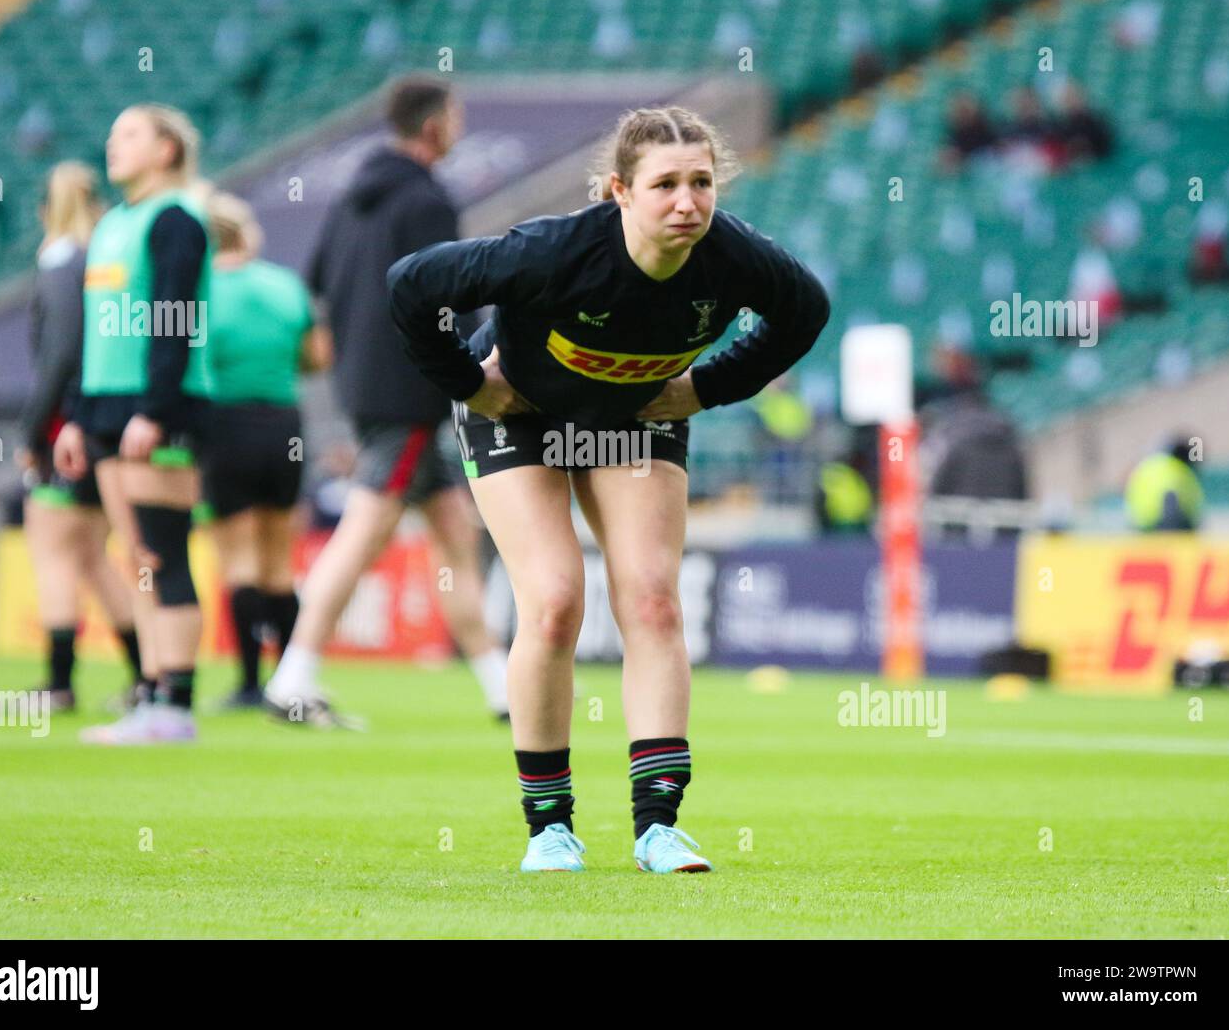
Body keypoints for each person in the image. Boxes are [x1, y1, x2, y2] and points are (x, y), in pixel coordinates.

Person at [388, 106, 831, 873]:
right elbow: (411, 284)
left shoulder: (730, 257)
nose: (688, 202)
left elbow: (805, 311)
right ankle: (549, 829)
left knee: (653, 598)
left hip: (632, 416)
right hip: (520, 413)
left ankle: (659, 826)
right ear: (620, 192)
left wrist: (709, 386)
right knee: (556, 599)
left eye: (702, 182)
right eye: (666, 185)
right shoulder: (551, 252)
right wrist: (470, 382)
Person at [264, 74, 512, 726]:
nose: (458, 127)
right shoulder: (428, 200)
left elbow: (317, 278)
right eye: (454, 116)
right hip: (410, 390)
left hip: (366, 381)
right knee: (363, 531)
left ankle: (503, 689)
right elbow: (447, 294)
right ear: (433, 126)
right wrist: (474, 369)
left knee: (455, 542)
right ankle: (292, 677)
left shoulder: (351, 195)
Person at [53, 103, 214, 745]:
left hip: (157, 405)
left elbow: (176, 318)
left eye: (129, 135)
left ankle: (177, 702)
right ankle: (151, 694)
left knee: (161, 549)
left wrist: (155, 407)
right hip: (104, 406)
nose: (112, 145)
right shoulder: (113, 223)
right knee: (135, 557)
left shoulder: (175, 220)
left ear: (167, 150)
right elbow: (94, 331)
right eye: (112, 132)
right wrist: (74, 417)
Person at [16, 160, 143, 710]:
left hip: (66, 425)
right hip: (105, 418)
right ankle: (146, 678)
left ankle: (58, 683)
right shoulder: (106, 257)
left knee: (56, 552)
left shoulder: (60, 262)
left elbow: (60, 353)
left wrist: (33, 429)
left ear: (46, 211)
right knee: (92, 555)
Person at [200, 192, 328, 707]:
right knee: (279, 560)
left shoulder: (199, 290)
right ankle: (288, 681)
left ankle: (250, 684)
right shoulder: (284, 284)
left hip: (224, 424)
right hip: (284, 426)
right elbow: (318, 357)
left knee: (239, 559)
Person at [1125, 437, 1203, 532]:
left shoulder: (1147, 465)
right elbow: (1172, 506)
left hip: (1140, 527)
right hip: (1162, 529)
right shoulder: (1180, 472)